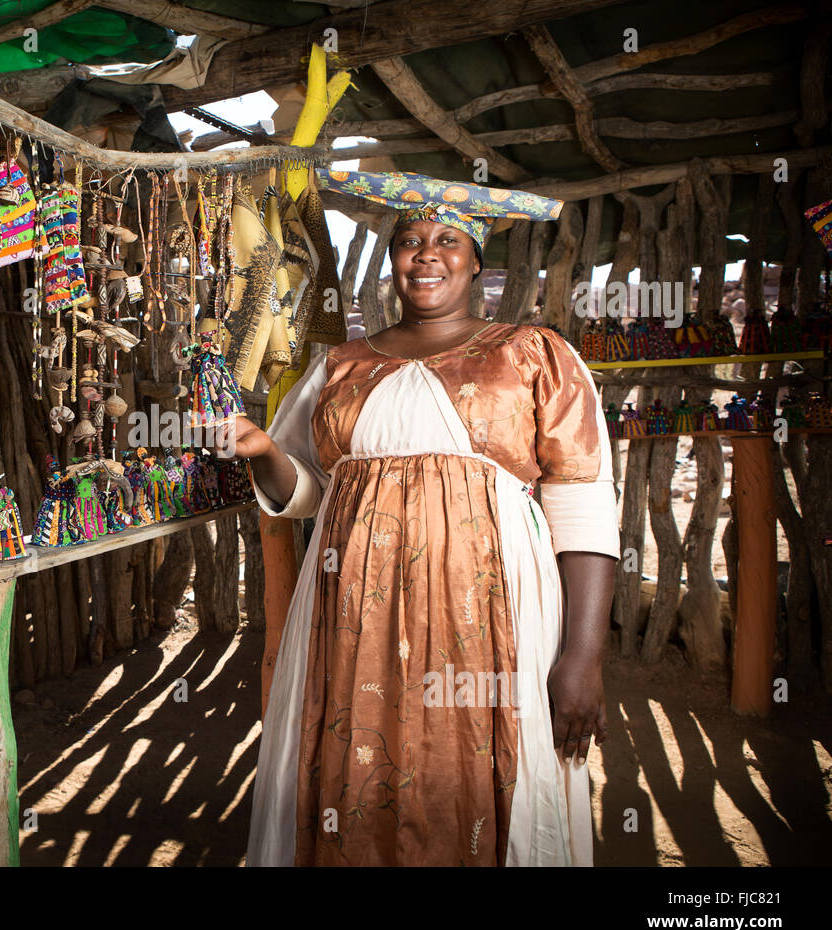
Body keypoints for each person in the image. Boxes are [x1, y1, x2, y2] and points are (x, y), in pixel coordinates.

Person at [225, 170, 620, 867]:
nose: (426, 253)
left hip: (493, 616)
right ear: (391, 261)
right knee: (356, 757)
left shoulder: (533, 354)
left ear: (476, 262)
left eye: (446, 240)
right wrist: (261, 452)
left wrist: (583, 658)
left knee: (476, 766)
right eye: (409, 241)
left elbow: (582, 501)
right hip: (354, 618)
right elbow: (311, 492)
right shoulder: (342, 365)